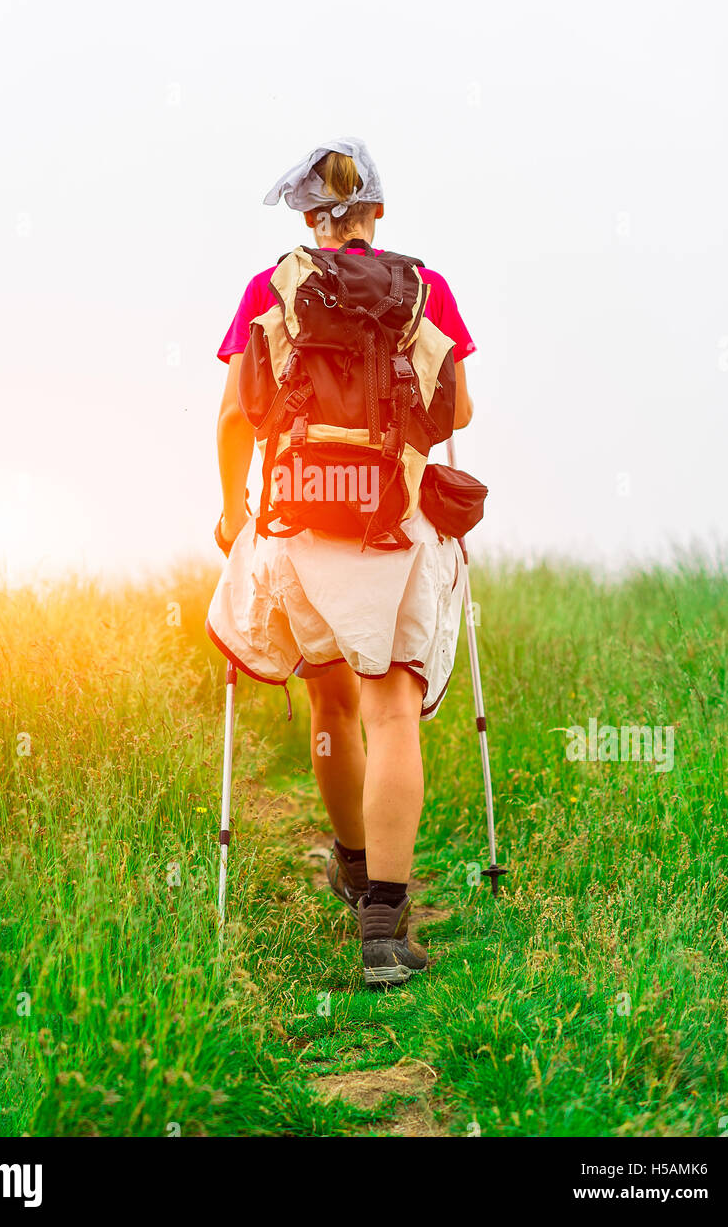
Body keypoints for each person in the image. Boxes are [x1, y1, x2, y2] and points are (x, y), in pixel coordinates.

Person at [207, 137, 475, 986]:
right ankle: (386, 930)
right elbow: (455, 409)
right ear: (376, 214)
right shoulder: (423, 288)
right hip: (389, 528)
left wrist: (231, 509)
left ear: (307, 219)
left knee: (328, 700)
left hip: (296, 522)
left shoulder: (272, 286)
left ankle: (353, 869)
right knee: (391, 708)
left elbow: (232, 417)